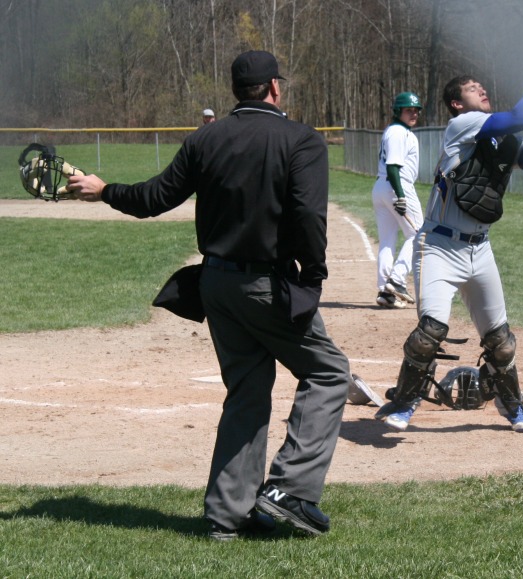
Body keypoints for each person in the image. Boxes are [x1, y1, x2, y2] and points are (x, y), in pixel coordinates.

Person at [67, 50, 351, 540]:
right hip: (268, 285)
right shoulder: (300, 139)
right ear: (275, 88)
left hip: (216, 284)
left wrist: (105, 188)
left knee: (246, 392)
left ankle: (226, 517)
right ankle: (290, 490)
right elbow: (308, 215)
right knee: (328, 373)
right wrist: (314, 274)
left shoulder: (206, 138)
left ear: (238, 90)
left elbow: (155, 198)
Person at [374, 57, 523, 433]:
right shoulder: (461, 126)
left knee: (500, 341)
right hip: (437, 246)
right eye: (471, 88)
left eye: (481, 87)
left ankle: (511, 404)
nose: (480, 90)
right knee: (430, 332)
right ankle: (404, 402)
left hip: (479, 250)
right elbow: (517, 117)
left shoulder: (500, 144)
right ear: (456, 103)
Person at [372, 92, 424, 309]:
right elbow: (394, 166)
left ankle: (386, 291)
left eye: (416, 110)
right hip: (397, 184)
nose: (413, 114)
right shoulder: (398, 132)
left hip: (383, 187)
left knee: (387, 240)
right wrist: (401, 195)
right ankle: (398, 279)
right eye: (408, 110)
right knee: (419, 233)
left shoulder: (395, 131)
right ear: (398, 111)